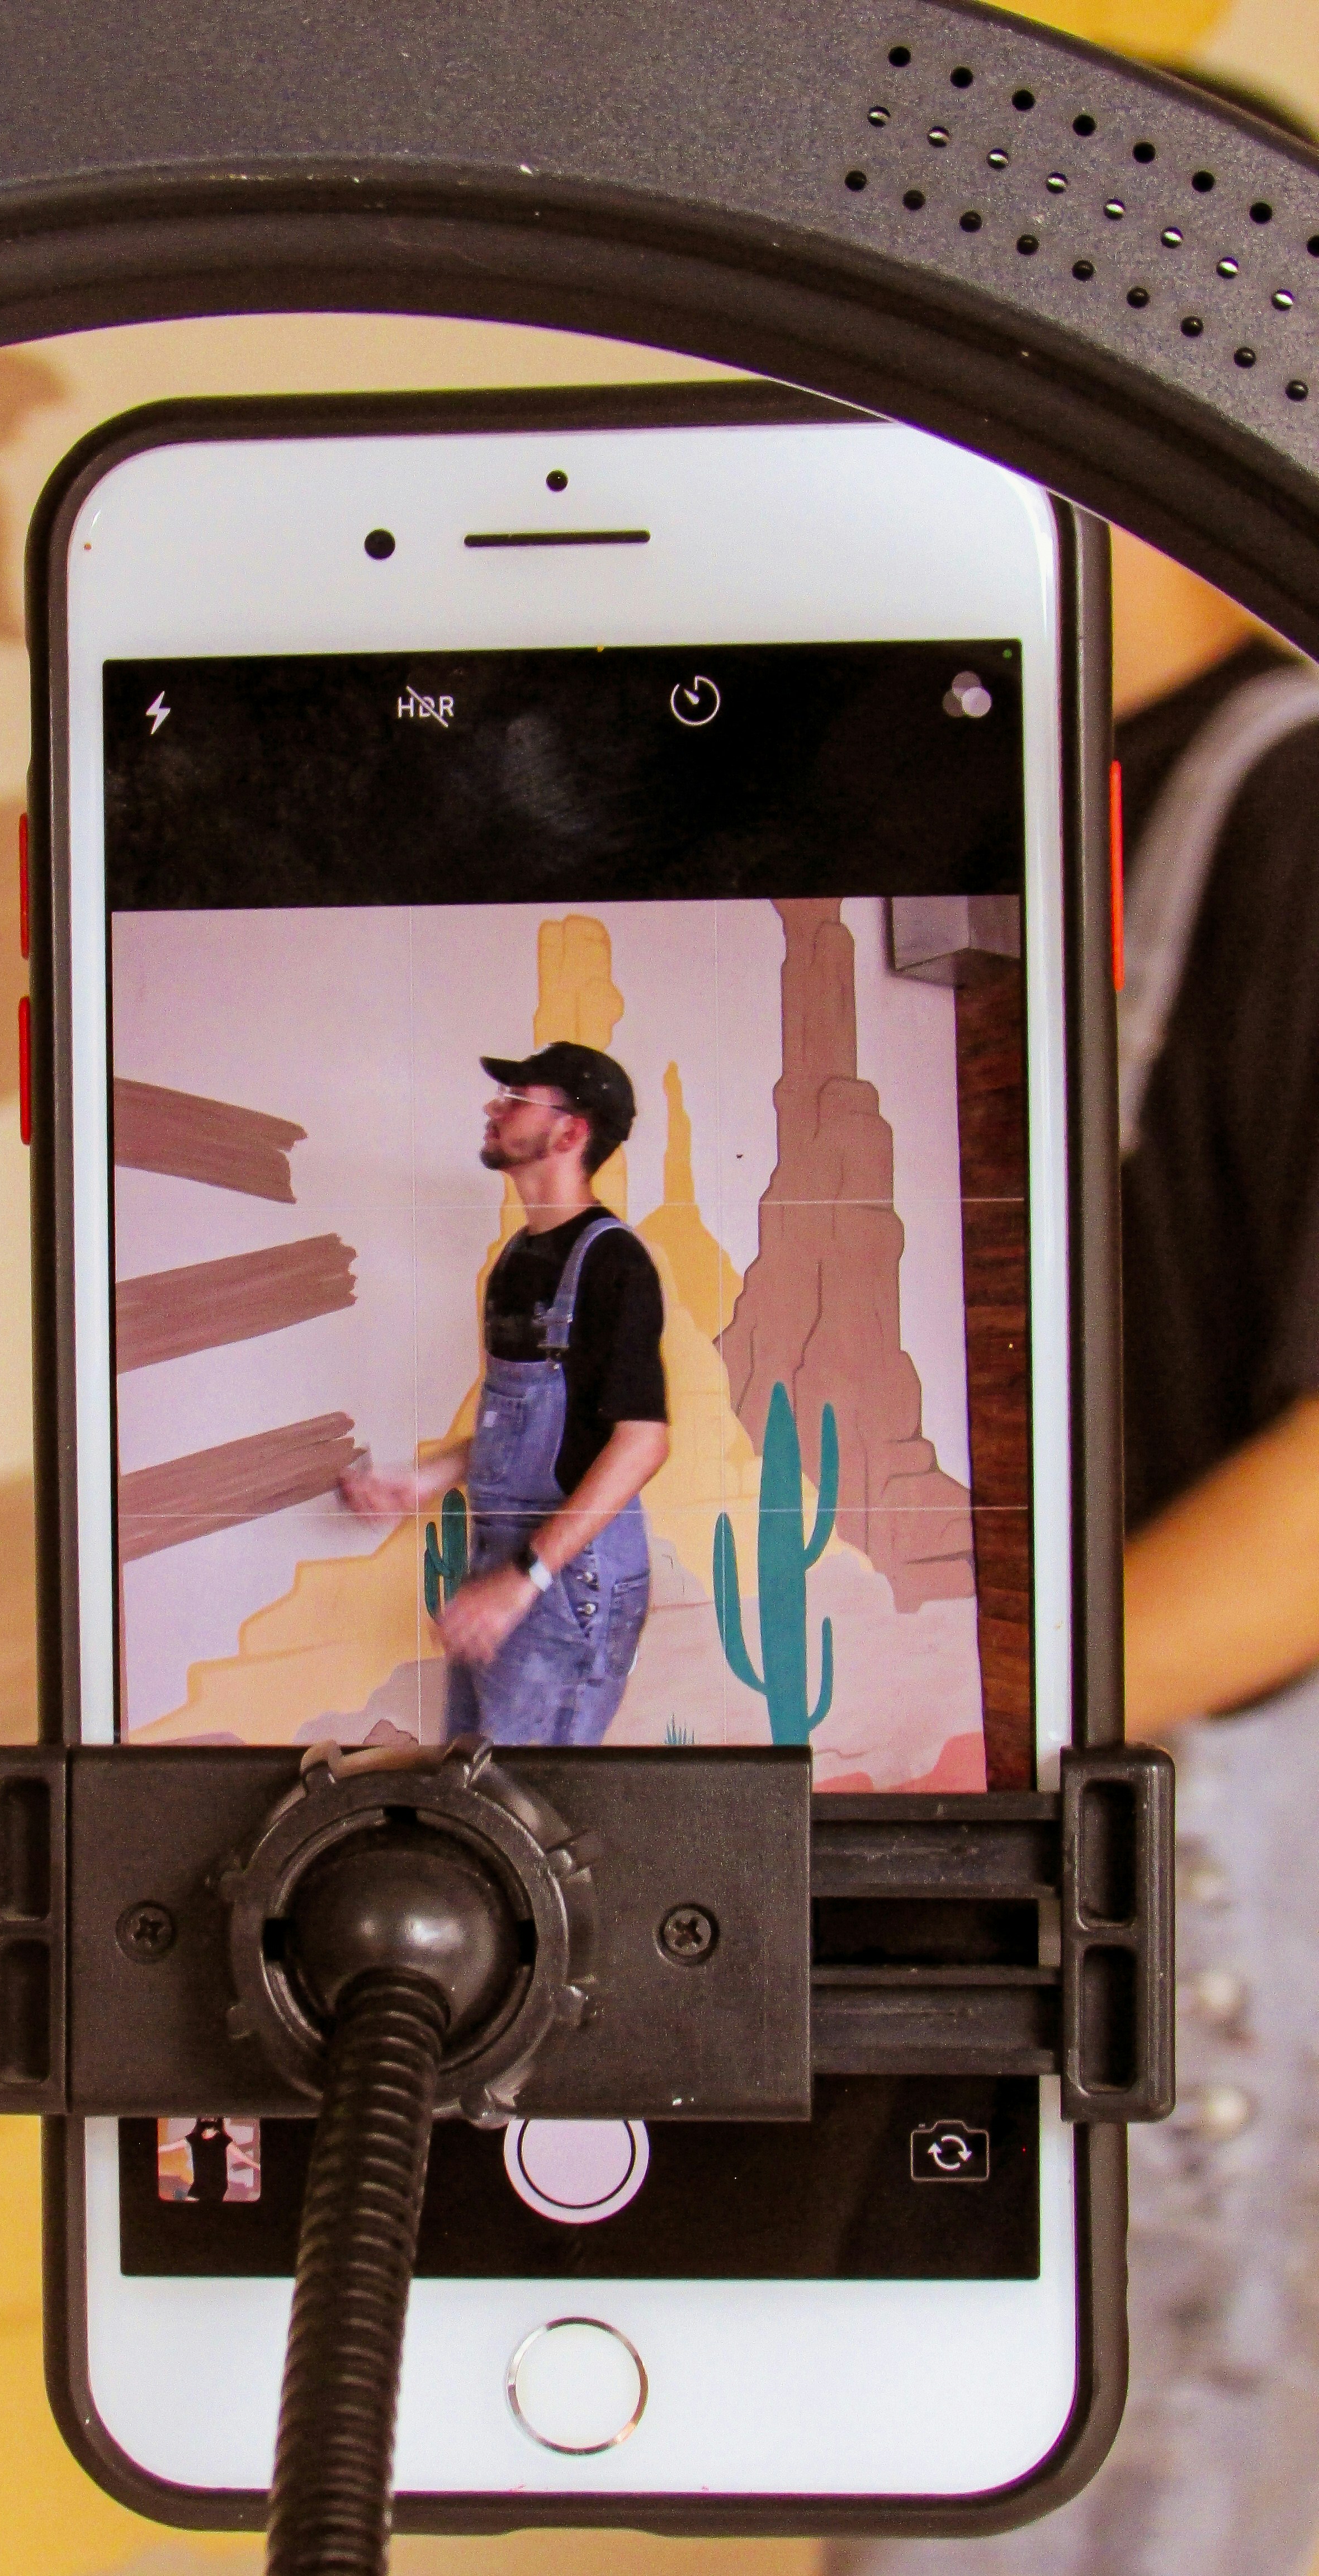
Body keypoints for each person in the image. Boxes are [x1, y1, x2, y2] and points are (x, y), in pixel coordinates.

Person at [828, 526, 1319, 2575]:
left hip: (1171, 1911)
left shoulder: (1291, 799)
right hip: (966, 1890)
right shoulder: (953, 808)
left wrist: (932, 1727)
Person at [341, 1041, 670, 1746]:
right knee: (481, 1799)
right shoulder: (517, 1262)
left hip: (566, 1583)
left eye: (517, 1098)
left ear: (571, 1132)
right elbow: (525, 1422)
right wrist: (424, 1480)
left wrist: (525, 1578)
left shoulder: (616, 1262)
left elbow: (642, 1441)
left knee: (528, 1814)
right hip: (509, 1570)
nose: (494, 1107)